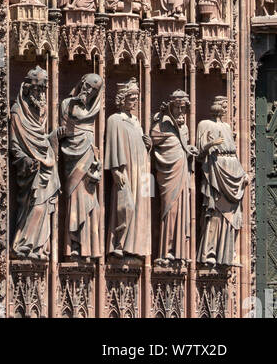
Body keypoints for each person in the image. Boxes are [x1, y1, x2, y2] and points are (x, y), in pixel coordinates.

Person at [9, 68, 60, 258]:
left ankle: (38, 247)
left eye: (43, 90)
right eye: (37, 89)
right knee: (36, 206)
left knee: (45, 207)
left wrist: (53, 138)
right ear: (28, 89)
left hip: (46, 166)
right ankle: (23, 244)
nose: (40, 94)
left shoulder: (41, 113)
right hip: (32, 170)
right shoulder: (17, 113)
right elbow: (15, 146)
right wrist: (27, 161)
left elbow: (42, 138)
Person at [195, 96, 249, 266]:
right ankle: (209, 252)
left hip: (232, 172)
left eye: (227, 105)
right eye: (224, 105)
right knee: (215, 213)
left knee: (232, 216)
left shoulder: (226, 126)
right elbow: (198, 154)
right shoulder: (204, 124)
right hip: (215, 171)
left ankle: (227, 254)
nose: (225, 109)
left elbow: (233, 154)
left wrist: (242, 173)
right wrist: (210, 144)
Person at [105, 80, 151, 258]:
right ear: (122, 99)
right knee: (126, 206)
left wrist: (149, 145)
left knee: (144, 205)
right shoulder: (115, 120)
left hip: (143, 172)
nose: (135, 101)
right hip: (126, 171)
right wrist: (115, 170)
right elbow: (112, 145)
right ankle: (119, 243)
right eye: (131, 97)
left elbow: (139, 147)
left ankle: (139, 247)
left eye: (136, 98)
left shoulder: (137, 122)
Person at [58, 75, 103, 258]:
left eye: (94, 90)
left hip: (89, 156)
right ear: (81, 83)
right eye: (87, 86)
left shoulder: (95, 108)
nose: (88, 91)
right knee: (75, 198)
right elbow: (64, 127)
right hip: (73, 157)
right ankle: (73, 244)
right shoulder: (68, 103)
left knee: (90, 201)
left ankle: (87, 247)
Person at [151, 91, 195, 263]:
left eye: (182, 108)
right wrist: (158, 117)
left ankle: (180, 251)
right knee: (171, 209)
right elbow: (151, 140)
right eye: (176, 107)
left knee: (183, 210)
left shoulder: (184, 128)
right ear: (170, 107)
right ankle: (165, 250)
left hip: (182, 171)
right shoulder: (163, 124)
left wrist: (190, 151)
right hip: (168, 173)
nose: (179, 111)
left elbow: (183, 146)